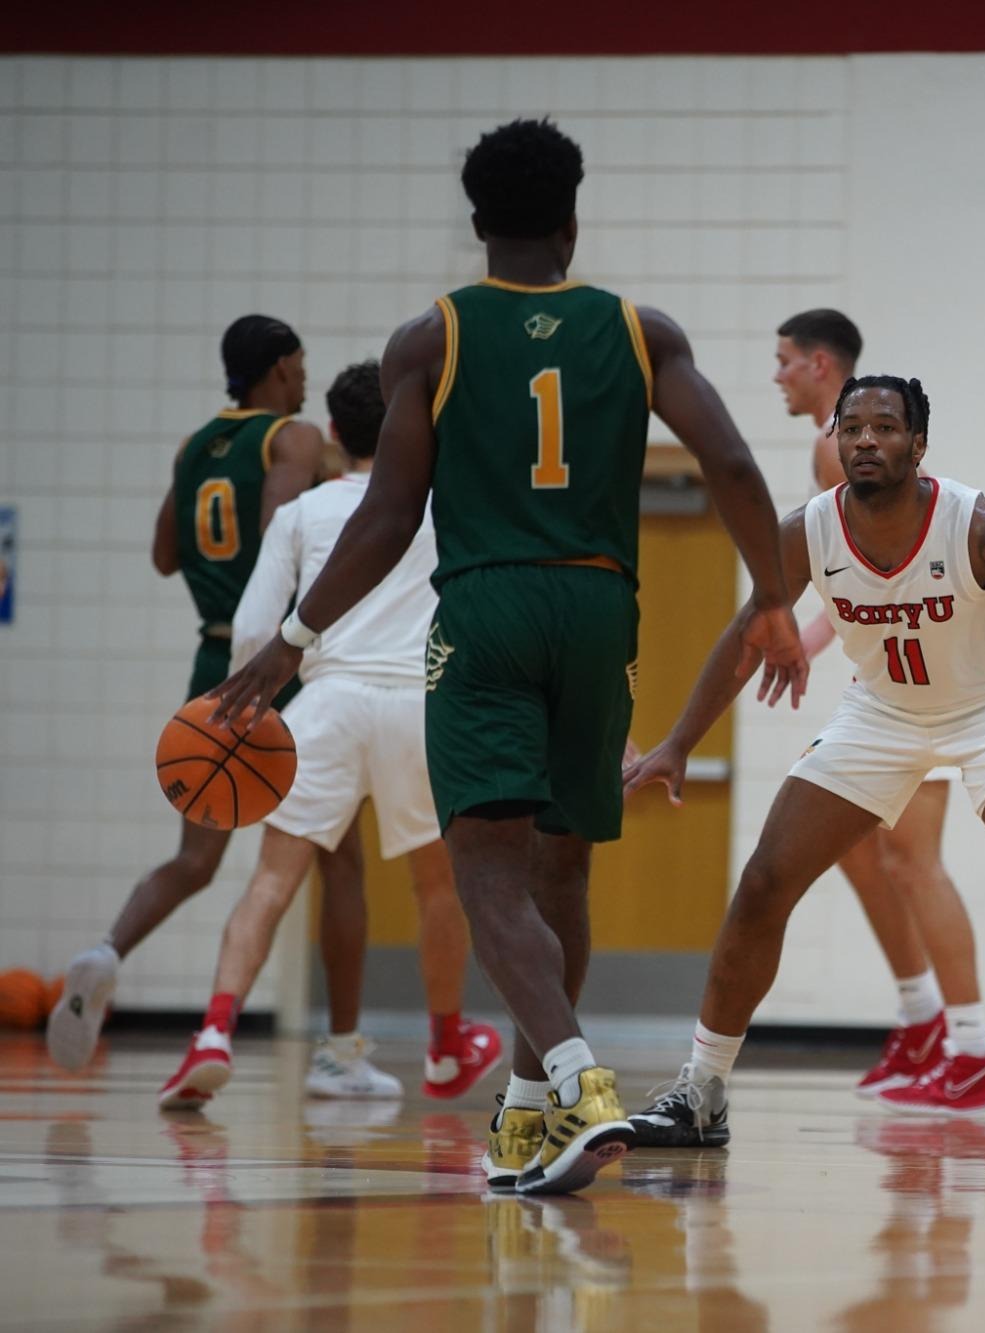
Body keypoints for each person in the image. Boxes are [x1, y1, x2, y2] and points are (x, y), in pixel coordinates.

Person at [213, 118, 804, 1196]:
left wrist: (296, 640)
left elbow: (389, 512)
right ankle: (530, 1110)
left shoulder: (428, 340)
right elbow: (726, 458)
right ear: (573, 221)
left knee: (486, 870)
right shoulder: (641, 331)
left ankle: (576, 1081)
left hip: (486, 605)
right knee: (562, 864)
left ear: (477, 223)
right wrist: (769, 595)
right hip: (598, 606)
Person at [625, 375, 985, 1163]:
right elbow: (747, 634)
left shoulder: (978, 525)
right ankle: (702, 1088)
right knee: (764, 880)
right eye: (851, 427)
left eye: (884, 427)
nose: (864, 439)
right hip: (881, 714)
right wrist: (679, 740)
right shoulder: (808, 530)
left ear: (918, 445)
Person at [156, 361, 503, 1111]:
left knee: (272, 882)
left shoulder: (303, 512)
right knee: (437, 886)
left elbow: (254, 627)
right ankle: (444, 1045)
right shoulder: (447, 505)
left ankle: (213, 1033)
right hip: (420, 704)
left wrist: (246, 707)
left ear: (335, 435)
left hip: (326, 702)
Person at [47, 316, 367, 1072]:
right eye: (298, 367)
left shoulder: (194, 446)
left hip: (210, 661)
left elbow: (164, 555)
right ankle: (346, 1050)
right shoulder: (288, 439)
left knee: (195, 859)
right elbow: (278, 532)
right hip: (273, 665)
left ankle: (105, 949)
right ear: (277, 370)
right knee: (340, 856)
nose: (303, 381)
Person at [773, 309, 985, 1109]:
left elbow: (875, 579)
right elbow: (856, 583)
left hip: (935, 678)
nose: (777, 376)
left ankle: (971, 1046)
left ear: (819, 364)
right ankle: (922, 1018)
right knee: (860, 852)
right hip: (895, 671)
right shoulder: (843, 445)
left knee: (911, 859)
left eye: (785, 361)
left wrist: (795, 638)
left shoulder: (843, 447)